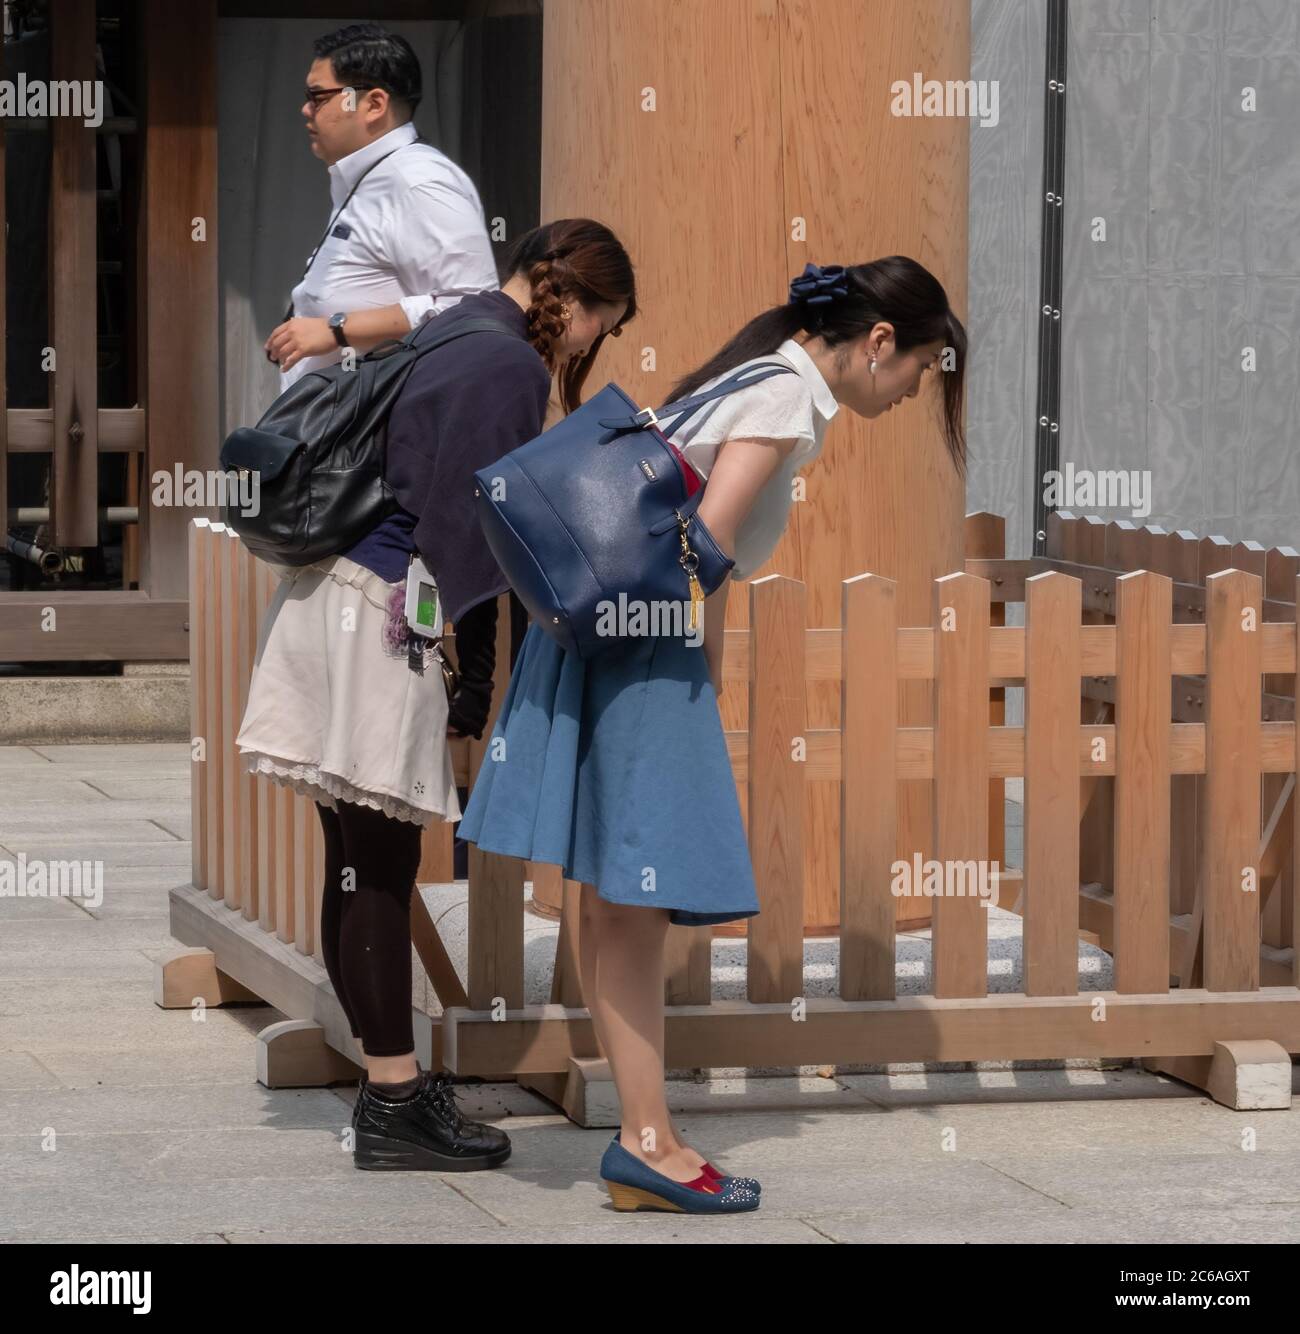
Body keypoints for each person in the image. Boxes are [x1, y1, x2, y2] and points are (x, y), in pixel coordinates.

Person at [456, 256, 967, 1213]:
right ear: (880, 342)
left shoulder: (754, 368)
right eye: (921, 371)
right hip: (644, 655)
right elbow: (696, 546)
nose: (909, 396)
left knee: (615, 901)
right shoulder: (784, 399)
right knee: (636, 903)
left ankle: (643, 1133)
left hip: (592, 640)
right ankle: (647, 1141)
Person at [235, 219, 637, 1170]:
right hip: (386, 611)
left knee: (352, 857)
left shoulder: (459, 325)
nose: (592, 344)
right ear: (569, 301)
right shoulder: (507, 367)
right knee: (378, 865)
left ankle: (390, 1083)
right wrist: (477, 688)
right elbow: (475, 532)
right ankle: (392, 1101)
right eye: (601, 324)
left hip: (333, 590)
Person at [265, 21, 499, 383]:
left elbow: (471, 309)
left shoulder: (418, 182)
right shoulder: (373, 176)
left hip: (376, 434)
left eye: (318, 97)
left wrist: (336, 329)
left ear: (374, 104)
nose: (305, 110)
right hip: (335, 429)